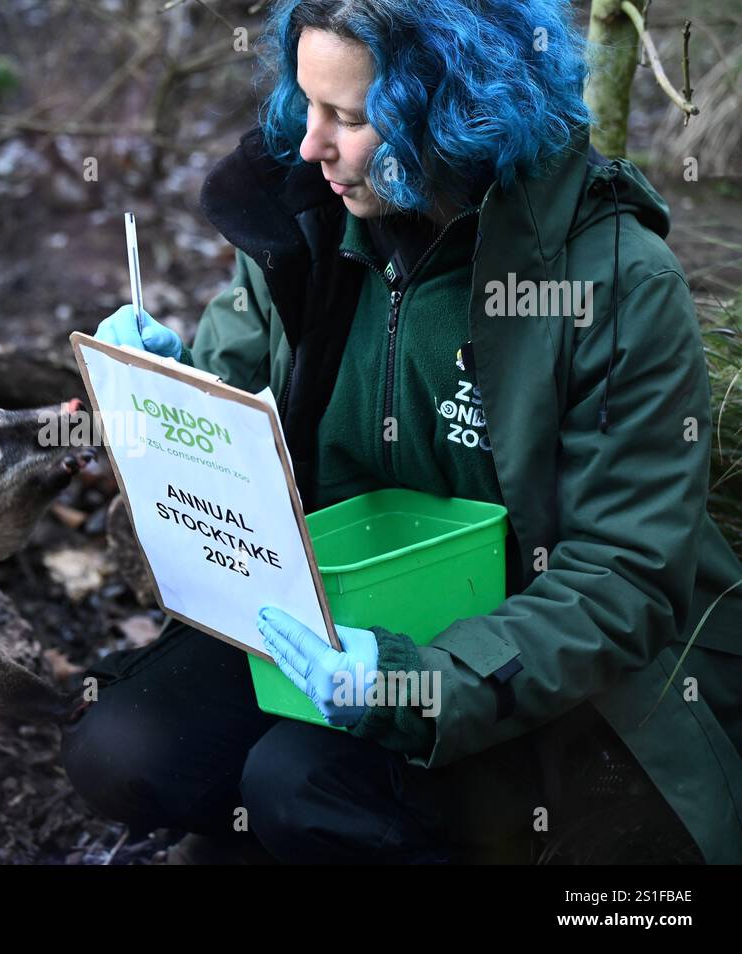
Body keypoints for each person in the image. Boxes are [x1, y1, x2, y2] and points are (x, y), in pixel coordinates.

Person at [62, 0, 742, 864]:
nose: (311, 145)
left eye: (349, 117)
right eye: (307, 104)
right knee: (126, 751)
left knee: (299, 781)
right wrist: (167, 398)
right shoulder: (303, 219)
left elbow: (625, 580)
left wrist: (416, 683)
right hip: (332, 614)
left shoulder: (610, 282)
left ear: (452, 109)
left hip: (535, 671)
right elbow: (243, 428)